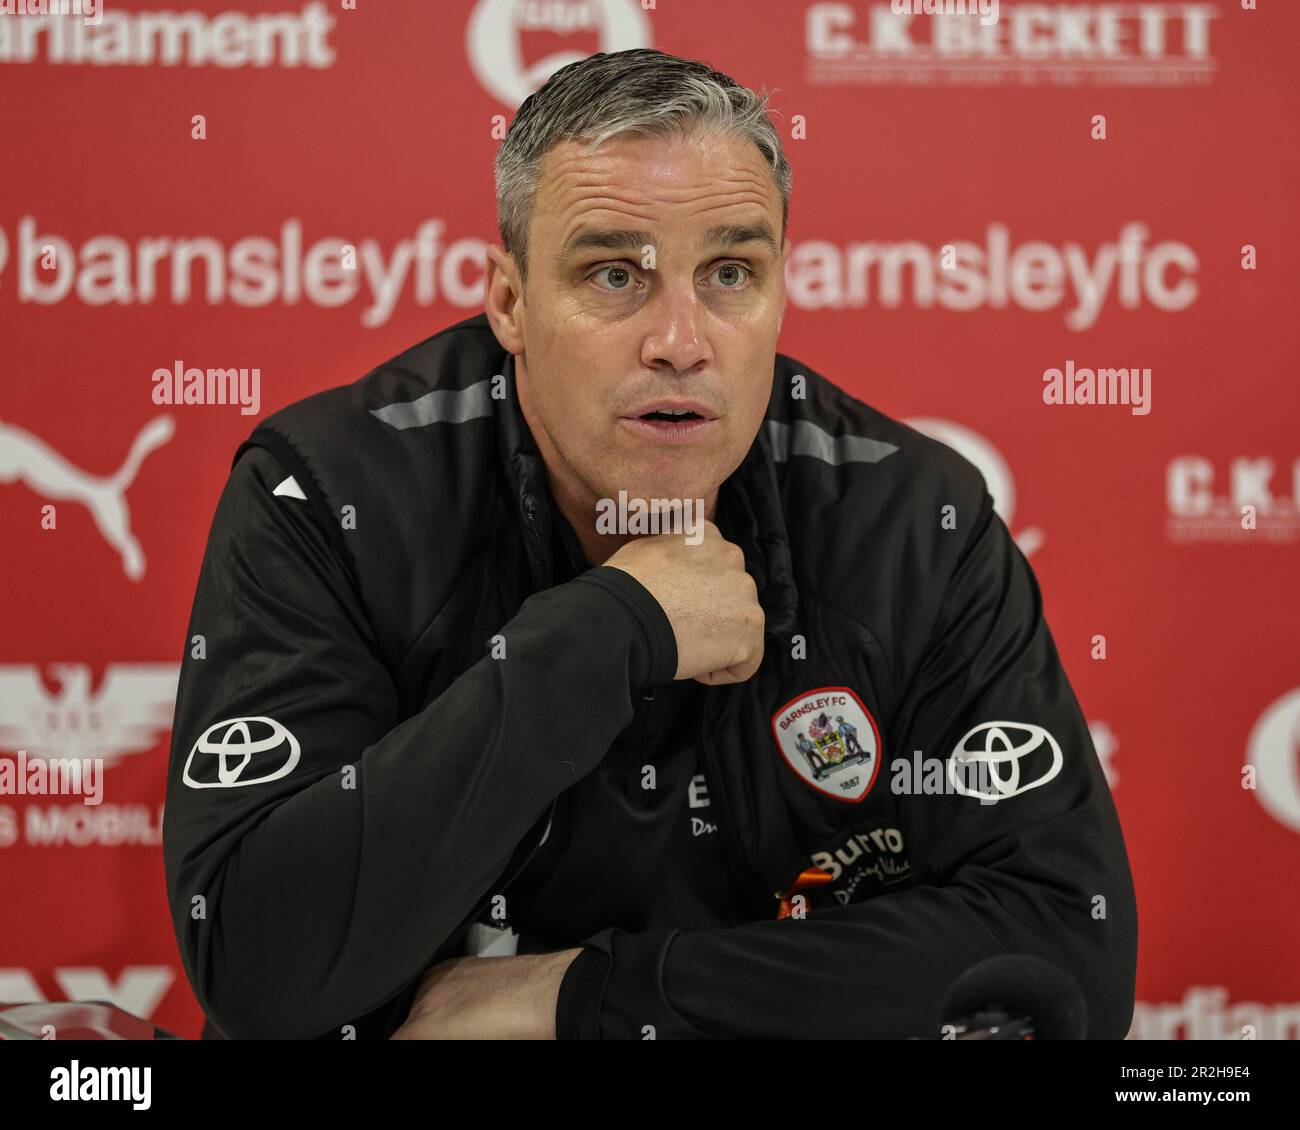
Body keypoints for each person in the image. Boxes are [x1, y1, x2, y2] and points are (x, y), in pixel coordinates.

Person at [162, 48, 1137, 1041]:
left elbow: (1062, 962)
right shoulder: (329, 491)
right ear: (508, 301)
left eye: (729, 272)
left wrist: (578, 995)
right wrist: (612, 628)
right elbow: (257, 965)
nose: (682, 337)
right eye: (613, 273)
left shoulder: (908, 517)